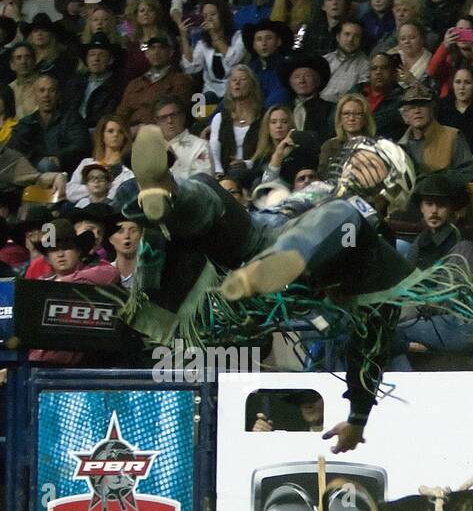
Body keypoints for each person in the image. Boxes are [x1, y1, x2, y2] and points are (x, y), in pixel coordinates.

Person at [121, 126, 446, 451]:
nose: (358, 166)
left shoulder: (376, 236)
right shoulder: (319, 188)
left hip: (303, 278)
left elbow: (373, 339)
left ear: (390, 186)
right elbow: (265, 219)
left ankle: (275, 266)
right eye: (360, 158)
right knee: (210, 190)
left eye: (373, 164)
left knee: (345, 213)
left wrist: (358, 417)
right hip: (255, 245)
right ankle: (167, 195)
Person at [397, 171, 473, 360]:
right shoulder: (421, 242)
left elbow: (449, 300)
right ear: (421, 208)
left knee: (389, 334)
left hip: (461, 324)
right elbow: (404, 287)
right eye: (429, 204)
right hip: (427, 319)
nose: (433, 211)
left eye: (440, 205)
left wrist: (405, 311)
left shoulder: (465, 243)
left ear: (451, 209)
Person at [24, 218, 120, 365]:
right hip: (36, 364)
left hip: (82, 365)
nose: (60, 254)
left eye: (66, 247)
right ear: (48, 258)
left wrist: (63, 282)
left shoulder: (96, 272)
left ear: (79, 251)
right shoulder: (40, 284)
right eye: (54, 249)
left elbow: (111, 273)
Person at [395, 83, 473, 186]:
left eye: (422, 105)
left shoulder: (453, 136)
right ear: (405, 116)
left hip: (446, 199)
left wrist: (437, 181)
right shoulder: (399, 148)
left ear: (432, 110)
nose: (417, 111)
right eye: (412, 107)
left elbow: (467, 174)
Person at [12, 74, 91, 173]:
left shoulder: (72, 118)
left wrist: (58, 157)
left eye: (51, 90)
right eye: (41, 90)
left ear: (58, 94)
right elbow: (15, 150)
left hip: (66, 172)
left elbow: (80, 145)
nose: (46, 95)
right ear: (34, 95)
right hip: (33, 173)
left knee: (47, 165)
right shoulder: (26, 123)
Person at [117, 33, 195, 132]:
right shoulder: (135, 84)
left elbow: (176, 115)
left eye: (161, 48)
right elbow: (121, 115)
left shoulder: (180, 80)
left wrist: (144, 129)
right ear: (146, 54)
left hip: (162, 135)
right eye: (152, 48)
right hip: (130, 134)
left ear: (170, 52)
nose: (156, 52)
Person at [179, 0, 243, 101]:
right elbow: (191, 67)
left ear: (222, 16)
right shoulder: (203, 43)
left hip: (232, 91)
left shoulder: (238, 37)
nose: (209, 19)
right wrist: (184, 37)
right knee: (195, 107)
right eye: (205, 16)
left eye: (213, 14)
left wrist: (214, 35)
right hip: (209, 92)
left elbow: (232, 60)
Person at [426, 16, 473, 98]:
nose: (463, 35)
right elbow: (432, 71)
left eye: (468, 31)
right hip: (450, 100)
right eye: (459, 30)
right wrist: (444, 46)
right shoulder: (448, 54)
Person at [65, 32, 126, 128]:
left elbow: (108, 116)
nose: (96, 59)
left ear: (110, 60)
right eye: (92, 55)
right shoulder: (74, 83)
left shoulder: (118, 86)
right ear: (86, 60)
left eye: (101, 55)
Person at [279, 49, 335, 138]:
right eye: (296, 77)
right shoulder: (282, 109)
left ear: (318, 81)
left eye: (307, 76)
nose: (302, 81)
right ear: (290, 82)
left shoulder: (330, 109)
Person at [154, 92, 211, 176]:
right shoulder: (150, 148)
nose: (169, 121)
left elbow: (203, 183)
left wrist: (175, 162)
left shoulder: (200, 146)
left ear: (183, 117)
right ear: (157, 122)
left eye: (173, 115)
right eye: (163, 118)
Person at [239, 17, 290, 106]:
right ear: (254, 45)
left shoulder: (287, 68)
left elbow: (280, 97)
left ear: (278, 42)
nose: (263, 43)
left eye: (268, 38)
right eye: (259, 39)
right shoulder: (249, 69)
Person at [318, 92, 373, 173]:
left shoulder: (376, 146)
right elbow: (322, 176)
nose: (351, 118)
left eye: (358, 114)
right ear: (340, 118)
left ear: (365, 119)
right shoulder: (329, 146)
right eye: (346, 114)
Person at [436, 64, 473, 149]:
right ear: (452, 84)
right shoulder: (441, 106)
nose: (462, 87)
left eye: (467, 82)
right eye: (458, 82)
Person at [321, 19, 369, 103]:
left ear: (361, 40)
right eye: (347, 34)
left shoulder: (366, 65)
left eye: (356, 36)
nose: (350, 39)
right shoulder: (326, 60)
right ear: (338, 37)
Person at [362, 50, 404, 139]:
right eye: (374, 68)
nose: (378, 72)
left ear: (393, 73)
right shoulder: (357, 90)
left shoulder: (401, 98)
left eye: (384, 68)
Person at [9, 42, 42, 119]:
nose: (23, 61)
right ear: (12, 65)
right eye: (18, 58)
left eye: (27, 57)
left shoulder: (44, 86)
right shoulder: (8, 89)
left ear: (34, 61)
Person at [108, 212, 142, 283]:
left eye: (133, 231)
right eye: (120, 231)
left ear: (141, 236)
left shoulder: (149, 274)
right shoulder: (102, 274)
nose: (127, 236)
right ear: (111, 239)